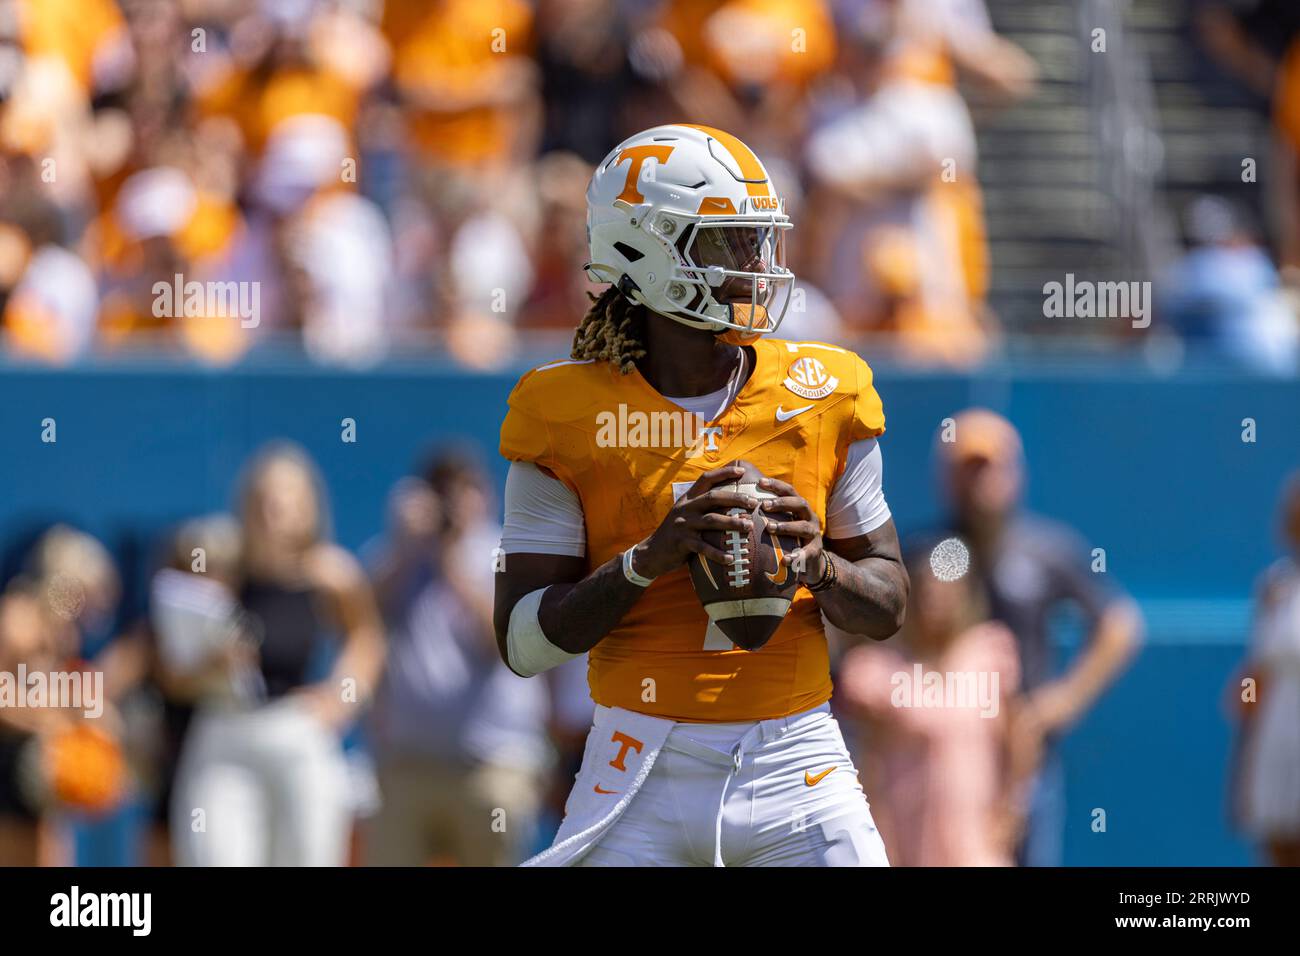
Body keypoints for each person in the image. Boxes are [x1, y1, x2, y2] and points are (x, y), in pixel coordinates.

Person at [494, 124, 909, 867]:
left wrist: (821, 567)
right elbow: (524, 642)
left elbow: (889, 602)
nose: (756, 264)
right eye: (729, 242)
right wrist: (647, 560)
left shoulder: (824, 390)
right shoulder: (563, 410)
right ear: (644, 250)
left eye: (757, 239)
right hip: (636, 763)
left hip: (797, 754)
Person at [921, 408, 1142, 866]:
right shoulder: (928, 552)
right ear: (947, 478)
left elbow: (1119, 623)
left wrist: (1063, 700)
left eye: (990, 466)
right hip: (945, 752)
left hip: (1026, 753)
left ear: (1014, 472)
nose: (981, 481)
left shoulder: (1044, 548)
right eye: (968, 468)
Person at [168, 443, 385, 866]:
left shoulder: (330, 574)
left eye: (287, 497)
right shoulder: (221, 573)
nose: (274, 509)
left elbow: (367, 638)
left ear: (309, 506)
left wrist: (340, 699)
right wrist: (213, 663)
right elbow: (175, 672)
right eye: (264, 498)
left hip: (297, 736)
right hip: (223, 732)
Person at [364, 448, 550, 866]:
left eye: (462, 490)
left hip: (492, 764)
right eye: (441, 491)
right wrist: (406, 548)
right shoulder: (397, 557)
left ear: (484, 495)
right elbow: (359, 621)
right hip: (408, 765)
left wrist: (449, 562)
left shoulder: (505, 555)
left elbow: (501, 643)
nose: (452, 503)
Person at [837, 544, 1030, 866]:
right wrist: (874, 834)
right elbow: (865, 763)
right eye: (927, 591)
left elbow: (1020, 735)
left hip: (978, 845)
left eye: (946, 591)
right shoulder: (878, 669)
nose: (936, 601)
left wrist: (1011, 813)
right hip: (906, 843)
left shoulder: (990, 654)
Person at [1230, 472, 1300, 866]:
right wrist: (1246, 696)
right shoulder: (1276, 586)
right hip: (1278, 735)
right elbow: (1257, 672)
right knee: (1281, 845)